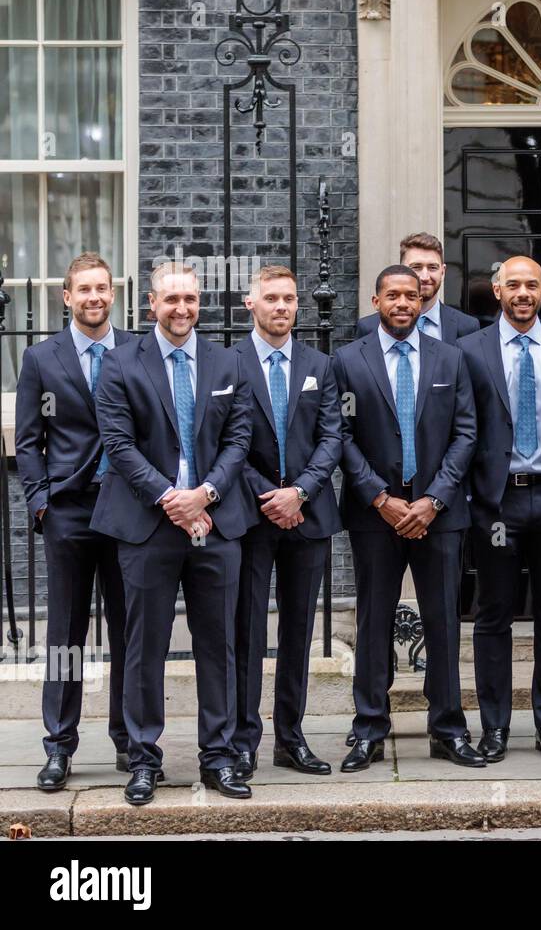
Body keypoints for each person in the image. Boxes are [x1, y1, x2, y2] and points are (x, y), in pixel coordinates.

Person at [91, 261, 258, 805]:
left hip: (216, 520)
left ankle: (219, 756)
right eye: (171, 300)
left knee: (220, 644)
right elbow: (118, 446)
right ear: (151, 306)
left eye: (190, 299)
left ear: (199, 304)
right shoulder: (120, 363)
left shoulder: (227, 361)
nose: (181, 309)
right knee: (144, 648)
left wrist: (204, 495)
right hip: (147, 526)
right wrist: (173, 501)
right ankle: (143, 759)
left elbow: (239, 439)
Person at [333, 265, 484, 772]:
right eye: (392, 295)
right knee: (374, 619)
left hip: (438, 513)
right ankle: (369, 728)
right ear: (375, 301)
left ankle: (448, 728)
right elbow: (341, 437)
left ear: (423, 301)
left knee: (443, 619)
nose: (403, 303)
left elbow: (467, 434)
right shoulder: (347, 361)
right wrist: (380, 497)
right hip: (375, 513)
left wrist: (434, 499)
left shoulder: (451, 358)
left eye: (412, 295)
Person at [15, 253, 134, 791]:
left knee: (130, 629)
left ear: (113, 294)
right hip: (69, 508)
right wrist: (41, 501)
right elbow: (27, 441)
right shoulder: (41, 357)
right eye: (83, 289)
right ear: (67, 296)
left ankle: (129, 740)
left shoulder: (136, 348)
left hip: (131, 507)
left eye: (102, 288)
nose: (94, 297)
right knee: (65, 633)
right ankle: (59, 745)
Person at [459, 256, 541, 763]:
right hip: (497, 500)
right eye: (513, 285)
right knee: (493, 615)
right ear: (497, 291)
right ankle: (494, 727)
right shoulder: (468, 351)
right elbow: (461, 426)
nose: (523, 293)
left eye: (532, 284)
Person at [230, 265, 342, 780]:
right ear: (250, 305)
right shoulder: (229, 363)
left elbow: (331, 437)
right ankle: (243, 740)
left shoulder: (320, 363)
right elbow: (225, 441)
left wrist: (299, 491)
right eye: (271, 298)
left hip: (308, 514)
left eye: (289, 299)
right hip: (251, 519)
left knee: (298, 632)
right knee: (248, 632)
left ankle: (290, 739)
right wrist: (267, 495)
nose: (282, 306)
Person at [355, 232, 480, 342]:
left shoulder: (467, 327)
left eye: (432, 268)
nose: (425, 277)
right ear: (401, 270)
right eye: (416, 267)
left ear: (443, 272)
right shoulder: (369, 327)